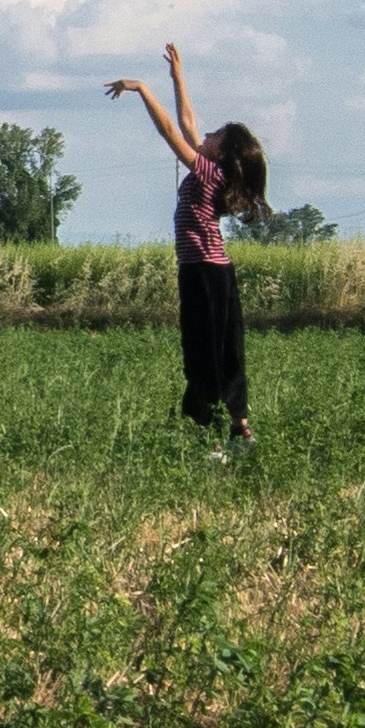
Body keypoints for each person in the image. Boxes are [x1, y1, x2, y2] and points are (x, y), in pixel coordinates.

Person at [104, 44, 268, 450]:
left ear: (222, 151)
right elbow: (188, 122)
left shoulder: (208, 171)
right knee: (225, 349)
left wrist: (143, 88)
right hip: (214, 272)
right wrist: (177, 75)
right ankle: (238, 427)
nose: (205, 134)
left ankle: (212, 433)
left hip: (203, 274)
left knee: (203, 350)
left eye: (214, 135)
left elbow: (171, 132)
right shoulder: (214, 168)